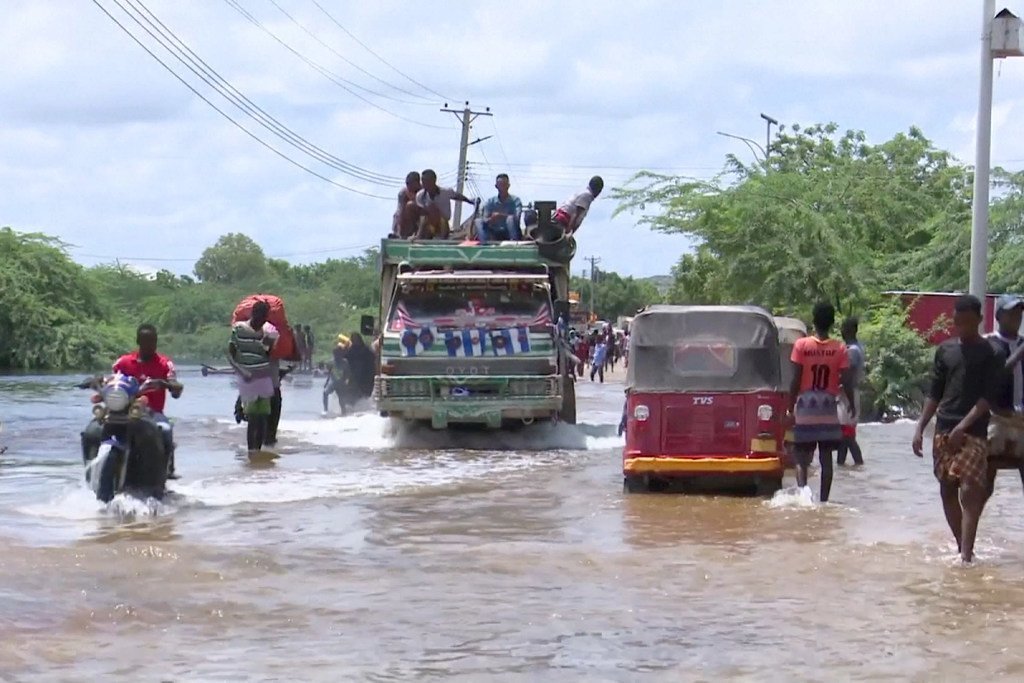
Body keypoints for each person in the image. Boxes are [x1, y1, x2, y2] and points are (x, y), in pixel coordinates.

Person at [912, 295, 1002, 564]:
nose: (959, 326)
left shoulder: (992, 353)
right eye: (957, 321)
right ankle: (964, 547)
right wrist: (920, 427)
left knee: (970, 490)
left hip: (973, 431)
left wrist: (963, 427)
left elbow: (988, 399)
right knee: (946, 489)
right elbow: (934, 393)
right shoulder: (945, 351)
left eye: (965, 321)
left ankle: (965, 557)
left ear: (978, 319)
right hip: (943, 427)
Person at [787, 302, 854, 503]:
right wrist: (851, 402)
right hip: (828, 407)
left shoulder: (801, 345)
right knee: (826, 458)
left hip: (806, 407)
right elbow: (847, 380)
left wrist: (790, 407)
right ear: (833, 322)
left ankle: (804, 495)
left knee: (801, 457)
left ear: (814, 321)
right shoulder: (839, 348)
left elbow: (795, 380)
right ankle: (824, 501)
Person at [112, 324, 184, 478]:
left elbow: (174, 384)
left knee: (164, 430)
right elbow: (112, 380)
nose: (149, 345)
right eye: (145, 341)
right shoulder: (124, 362)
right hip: (125, 411)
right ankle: (95, 464)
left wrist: (168, 384)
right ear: (138, 341)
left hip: (153, 413)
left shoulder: (165, 364)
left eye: (152, 341)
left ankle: (168, 468)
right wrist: (96, 381)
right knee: (95, 429)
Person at [228, 300, 279, 454]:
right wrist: (241, 370)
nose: (262, 320)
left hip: (264, 377)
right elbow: (230, 354)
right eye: (259, 316)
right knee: (253, 419)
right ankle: (252, 453)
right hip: (247, 379)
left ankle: (257, 454)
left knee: (263, 418)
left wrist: (269, 341)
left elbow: (267, 355)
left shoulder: (269, 331)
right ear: (253, 314)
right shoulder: (239, 329)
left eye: (264, 317)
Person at [985, 295, 1024, 495]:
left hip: (1022, 417)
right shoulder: (987, 344)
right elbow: (996, 376)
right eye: (1012, 313)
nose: (1017, 318)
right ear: (999, 316)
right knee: (985, 479)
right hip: (996, 415)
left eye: (1020, 313)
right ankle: (971, 523)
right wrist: (1018, 354)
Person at [836, 317, 866, 466]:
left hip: (848, 395)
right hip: (847, 394)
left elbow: (847, 376)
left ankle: (859, 463)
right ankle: (842, 466)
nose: (841, 331)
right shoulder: (855, 347)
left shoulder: (852, 351)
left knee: (847, 436)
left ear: (851, 331)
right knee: (844, 435)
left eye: (844, 328)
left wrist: (850, 402)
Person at [415, 169, 475, 239]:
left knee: (434, 209)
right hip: (428, 225)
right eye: (423, 181)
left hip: (442, 225)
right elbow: (422, 214)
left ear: (434, 180)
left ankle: (442, 237)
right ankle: (421, 236)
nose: (424, 184)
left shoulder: (445, 192)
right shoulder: (420, 196)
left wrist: (470, 201)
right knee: (429, 209)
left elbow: (457, 196)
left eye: (426, 181)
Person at [475, 173, 523, 242]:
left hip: (509, 232)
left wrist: (501, 216)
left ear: (508, 186)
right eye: (500, 185)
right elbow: (485, 219)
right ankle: (484, 244)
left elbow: (517, 218)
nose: (502, 187)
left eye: (504, 184)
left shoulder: (516, 200)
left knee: (510, 219)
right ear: (496, 186)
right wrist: (491, 219)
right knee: (478, 221)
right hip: (494, 232)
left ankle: (513, 243)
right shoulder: (490, 201)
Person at [345, 333, 377, 399]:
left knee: (365, 392)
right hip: (354, 374)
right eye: (353, 339)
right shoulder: (351, 350)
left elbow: (372, 359)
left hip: (365, 374)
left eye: (356, 339)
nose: (355, 341)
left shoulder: (365, 349)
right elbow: (346, 359)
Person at [393, 171, 424, 238]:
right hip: (407, 220)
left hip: (422, 218)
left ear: (417, 183)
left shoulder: (424, 192)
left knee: (410, 205)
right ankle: (400, 234)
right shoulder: (403, 193)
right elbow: (400, 210)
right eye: (407, 184)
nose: (408, 186)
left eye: (410, 184)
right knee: (397, 215)